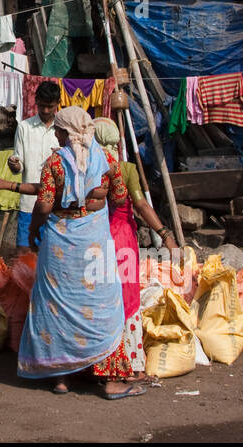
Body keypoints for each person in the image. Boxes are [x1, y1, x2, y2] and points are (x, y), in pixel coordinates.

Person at [13, 107, 145, 399]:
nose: (57, 135)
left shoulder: (55, 163)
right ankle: (111, 379)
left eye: (59, 131)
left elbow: (45, 204)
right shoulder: (109, 159)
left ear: (65, 133)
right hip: (94, 242)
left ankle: (60, 377)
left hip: (60, 243)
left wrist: (34, 228)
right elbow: (120, 196)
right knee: (102, 306)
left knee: (55, 305)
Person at [93, 117, 177, 383]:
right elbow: (141, 206)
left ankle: (104, 365)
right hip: (123, 240)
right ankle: (133, 365)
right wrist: (166, 236)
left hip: (96, 239)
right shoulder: (126, 169)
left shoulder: (90, 167)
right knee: (127, 299)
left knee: (102, 299)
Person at [0, 80, 60, 252]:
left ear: (58, 104)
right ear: (36, 102)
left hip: (57, 205)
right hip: (30, 204)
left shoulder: (64, 128)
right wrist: (15, 163)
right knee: (25, 256)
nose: (46, 111)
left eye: (50, 106)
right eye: (42, 106)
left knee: (54, 257)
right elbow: (18, 166)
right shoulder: (25, 127)